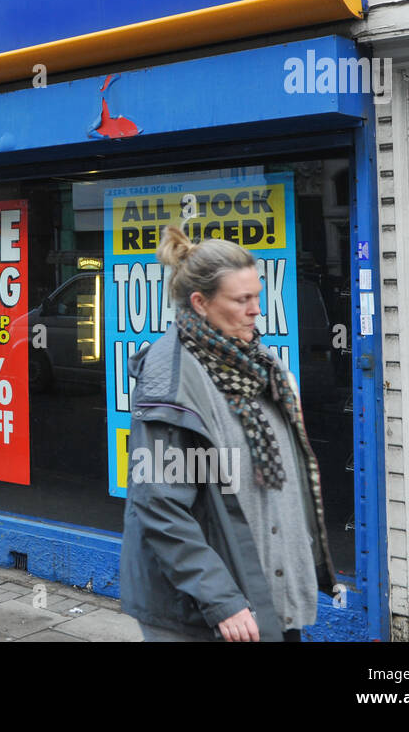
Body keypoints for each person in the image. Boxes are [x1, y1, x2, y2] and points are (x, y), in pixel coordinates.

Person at [120, 225, 337, 642]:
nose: (257, 310)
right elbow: (160, 507)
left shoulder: (260, 363)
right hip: (207, 615)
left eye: (258, 296)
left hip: (267, 596)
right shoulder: (174, 383)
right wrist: (224, 602)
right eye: (242, 300)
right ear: (200, 303)